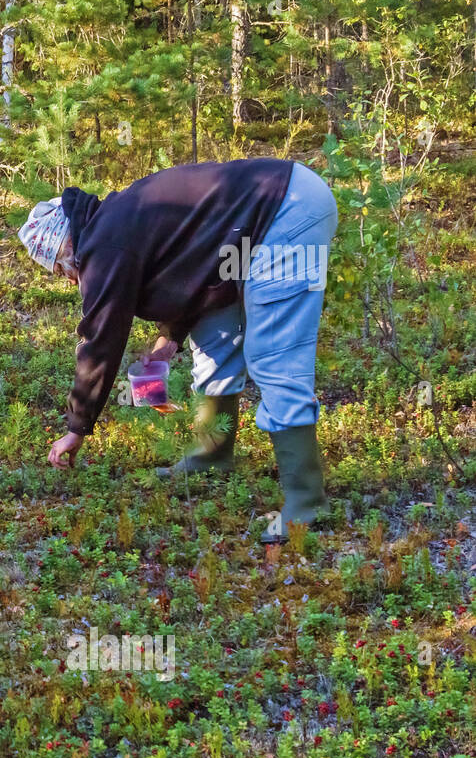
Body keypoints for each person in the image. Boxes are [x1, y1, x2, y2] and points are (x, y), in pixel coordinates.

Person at [18, 158, 339, 542]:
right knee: (216, 335)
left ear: (63, 245)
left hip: (287, 208)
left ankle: (306, 501)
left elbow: (101, 339)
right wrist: (168, 340)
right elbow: (191, 269)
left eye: (58, 267)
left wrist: (76, 427)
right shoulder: (115, 225)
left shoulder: (105, 245)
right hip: (254, 224)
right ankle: (212, 453)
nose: (67, 278)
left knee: (274, 354)